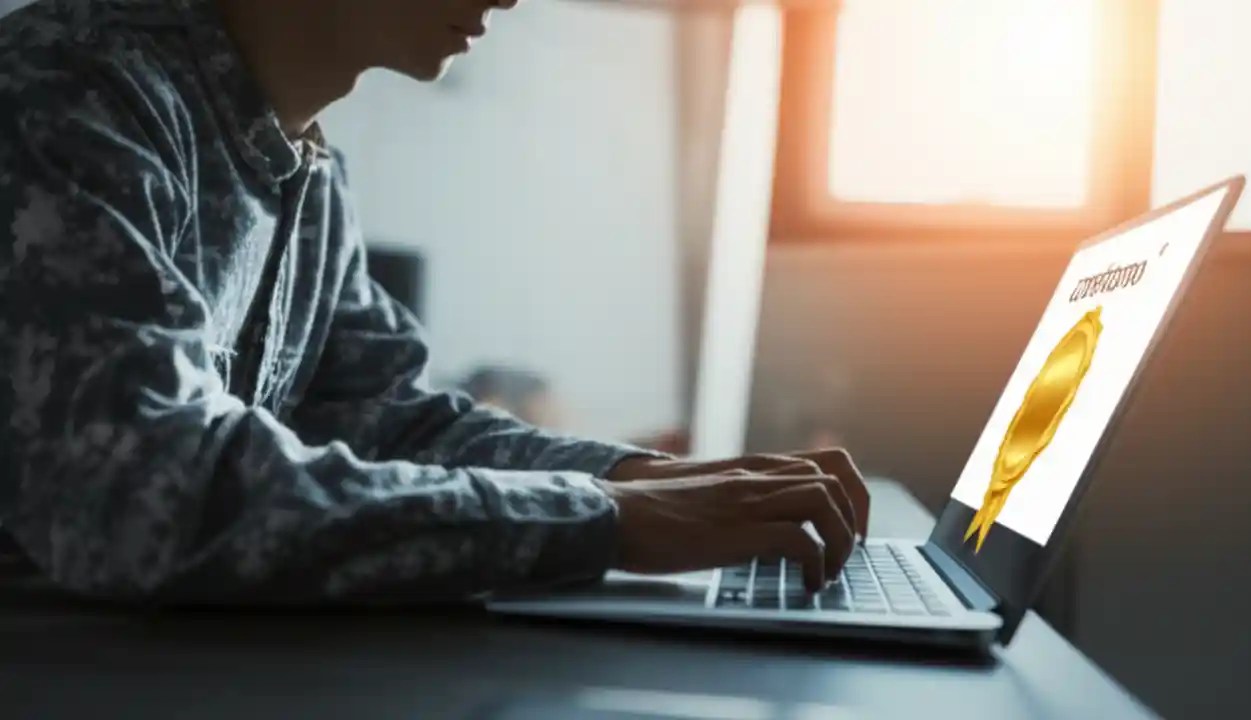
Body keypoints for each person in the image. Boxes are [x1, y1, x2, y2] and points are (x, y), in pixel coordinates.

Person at [0, 0, 869, 603]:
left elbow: (386, 419)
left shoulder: (302, 165)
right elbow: (148, 492)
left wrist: (644, 479)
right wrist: (605, 520)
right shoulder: (74, 94)